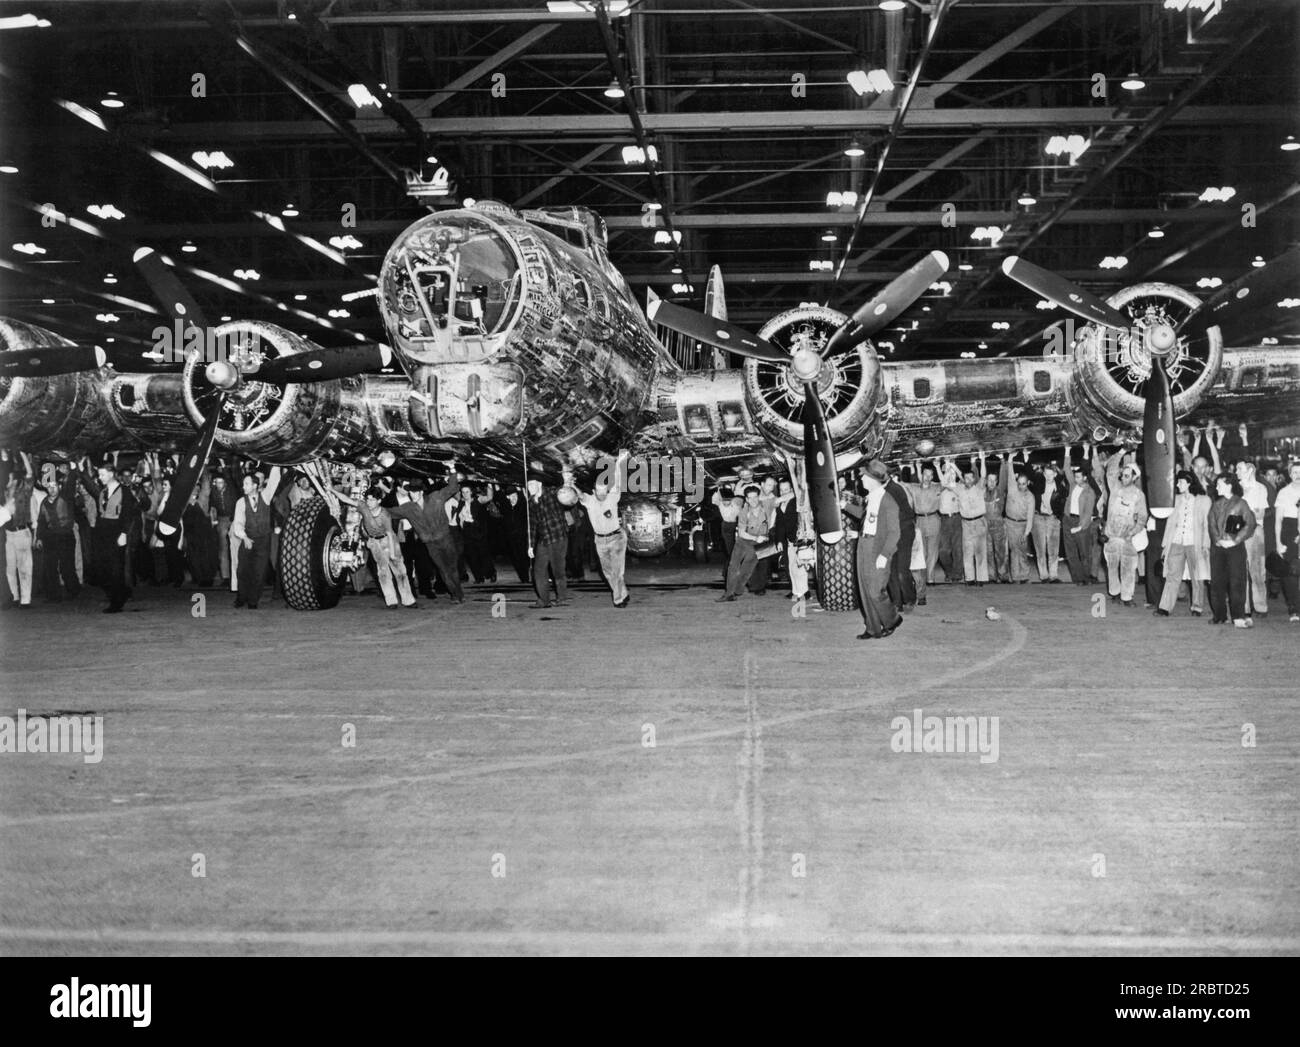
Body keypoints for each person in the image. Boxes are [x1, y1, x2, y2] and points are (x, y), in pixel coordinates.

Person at [390, 466, 465, 604]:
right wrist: (368, 507)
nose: (412, 495)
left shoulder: (435, 498)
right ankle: (455, 594)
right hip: (431, 544)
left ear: (421, 491)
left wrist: (452, 470)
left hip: (446, 539)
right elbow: (390, 512)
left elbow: (453, 488)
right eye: (410, 492)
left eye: (414, 492)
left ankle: (457, 593)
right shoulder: (409, 508)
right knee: (443, 570)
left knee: (452, 568)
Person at [79, 458, 139, 613]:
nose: (100, 478)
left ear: (111, 474)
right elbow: (90, 487)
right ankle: (121, 592)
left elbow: (128, 514)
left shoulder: (124, 491)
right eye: (99, 475)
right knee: (102, 568)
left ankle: (116, 602)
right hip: (102, 531)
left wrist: (124, 533)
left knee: (115, 567)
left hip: (117, 530)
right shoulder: (103, 491)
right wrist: (81, 470)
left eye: (103, 475)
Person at [852, 459, 903, 640]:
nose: (861, 479)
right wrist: (844, 506)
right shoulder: (871, 497)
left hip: (877, 548)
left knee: (875, 590)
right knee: (865, 589)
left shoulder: (888, 501)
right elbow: (866, 517)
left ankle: (892, 619)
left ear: (873, 480)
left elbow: (895, 532)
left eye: (864, 476)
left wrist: (885, 554)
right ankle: (873, 628)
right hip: (864, 544)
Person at [577, 450, 630, 607]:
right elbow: (579, 495)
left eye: (604, 491)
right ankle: (623, 593)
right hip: (600, 541)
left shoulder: (612, 497)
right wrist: (570, 484)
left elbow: (618, 481)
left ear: (607, 490)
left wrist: (619, 464)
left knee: (617, 572)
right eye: (599, 491)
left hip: (616, 538)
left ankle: (618, 599)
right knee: (608, 573)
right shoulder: (589, 501)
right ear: (594, 491)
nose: (602, 494)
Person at [1155, 470, 1210, 617]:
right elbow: (1170, 523)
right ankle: (1165, 607)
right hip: (1176, 540)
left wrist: (1206, 544)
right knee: (1172, 575)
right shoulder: (1175, 499)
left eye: (1180, 482)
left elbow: (1206, 524)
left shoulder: (1204, 500)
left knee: (1197, 576)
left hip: (1195, 543)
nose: (1178, 485)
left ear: (1189, 483)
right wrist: (1166, 544)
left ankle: (1197, 607)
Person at [1208, 472, 1257, 628]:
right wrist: (1218, 540)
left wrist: (1234, 541)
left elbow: (1250, 524)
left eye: (1219, 484)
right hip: (1218, 548)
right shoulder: (1216, 504)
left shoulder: (1241, 504)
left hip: (1235, 548)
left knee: (1237, 582)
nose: (1216, 487)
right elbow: (1211, 524)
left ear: (1229, 485)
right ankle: (1219, 615)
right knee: (1216, 582)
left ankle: (1238, 616)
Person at [230, 465, 282, 609]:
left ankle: (253, 600)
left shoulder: (265, 496)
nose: (244, 487)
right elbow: (238, 523)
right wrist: (244, 538)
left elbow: (274, 480)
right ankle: (241, 597)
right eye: (243, 484)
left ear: (255, 485)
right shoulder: (241, 502)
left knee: (259, 572)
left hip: (263, 541)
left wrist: (275, 463)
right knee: (242, 570)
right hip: (248, 539)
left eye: (246, 484)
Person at [358, 486, 418, 609]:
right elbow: (347, 500)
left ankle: (408, 600)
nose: (369, 502)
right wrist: (332, 490)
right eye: (367, 499)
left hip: (388, 541)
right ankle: (391, 601)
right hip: (375, 543)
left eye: (372, 500)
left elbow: (390, 534)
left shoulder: (385, 514)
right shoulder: (364, 508)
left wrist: (392, 553)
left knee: (400, 572)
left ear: (379, 501)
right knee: (383, 573)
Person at [1103, 462, 1148, 607]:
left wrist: (1133, 532)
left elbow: (1142, 518)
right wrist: (1121, 452)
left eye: (1127, 476)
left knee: (1128, 570)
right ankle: (1115, 593)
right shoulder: (1115, 488)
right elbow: (1111, 470)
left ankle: (1127, 597)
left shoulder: (1139, 495)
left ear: (1134, 477)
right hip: (1112, 537)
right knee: (1112, 568)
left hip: (1128, 539)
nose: (1123, 478)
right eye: (1122, 475)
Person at [525, 469, 569, 608]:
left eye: (532, 484)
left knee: (558, 571)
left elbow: (562, 488)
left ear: (539, 484)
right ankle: (544, 600)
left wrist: (564, 478)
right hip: (544, 540)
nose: (529, 487)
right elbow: (532, 525)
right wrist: (530, 545)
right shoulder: (531, 502)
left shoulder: (551, 494)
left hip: (558, 537)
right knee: (538, 570)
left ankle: (561, 598)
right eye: (528, 485)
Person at [717, 485, 768, 602]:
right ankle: (729, 594)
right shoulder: (744, 512)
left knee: (747, 568)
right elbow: (741, 533)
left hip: (758, 543)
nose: (753, 500)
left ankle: (738, 590)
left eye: (755, 497)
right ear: (747, 499)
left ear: (759, 497)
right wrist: (756, 537)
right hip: (744, 541)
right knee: (733, 566)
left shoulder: (766, 507)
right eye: (750, 498)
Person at [36, 467, 80, 601]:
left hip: (65, 537)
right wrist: (39, 537)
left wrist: (72, 470)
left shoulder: (66, 498)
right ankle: (53, 595)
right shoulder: (44, 502)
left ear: (59, 487)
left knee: (67, 566)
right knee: (50, 567)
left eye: (54, 486)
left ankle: (73, 591)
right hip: (50, 538)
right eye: (49, 486)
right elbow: (41, 521)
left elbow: (71, 484)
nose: (52, 489)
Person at [1236, 460, 1271, 618]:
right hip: (1237, 532)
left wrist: (1242, 514)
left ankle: (1261, 606)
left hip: (1255, 532)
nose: (1236, 471)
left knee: (1257, 571)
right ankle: (1245, 607)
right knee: (1239, 570)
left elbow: (1260, 513)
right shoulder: (1235, 488)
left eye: (1240, 469)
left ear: (1250, 471)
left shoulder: (1260, 488)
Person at [951, 454, 988, 586]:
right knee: (967, 551)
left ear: (973, 478)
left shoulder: (979, 488)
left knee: (980, 551)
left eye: (970, 478)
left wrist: (982, 459)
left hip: (979, 522)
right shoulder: (960, 490)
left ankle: (981, 579)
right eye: (966, 478)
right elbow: (947, 483)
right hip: (966, 523)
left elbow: (983, 475)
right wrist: (951, 465)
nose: (968, 480)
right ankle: (970, 578)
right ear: (964, 479)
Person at [884, 469, 918, 610]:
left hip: (904, 532)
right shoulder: (882, 490)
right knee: (891, 570)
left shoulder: (894, 489)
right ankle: (897, 602)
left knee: (901, 571)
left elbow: (906, 513)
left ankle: (910, 598)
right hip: (891, 533)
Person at [1029, 457, 1066, 583]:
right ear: (1043, 474)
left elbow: (1063, 503)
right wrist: (1027, 459)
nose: (1048, 477)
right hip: (1038, 517)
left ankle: (1053, 576)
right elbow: (1030, 474)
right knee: (1040, 548)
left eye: (1051, 474)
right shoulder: (1038, 484)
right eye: (1046, 474)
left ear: (1055, 474)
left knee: (1054, 549)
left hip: (1053, 518)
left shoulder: (1060, 488)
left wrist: (1059, 518)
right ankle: (1044, 576)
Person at [1273, 460, 1300, 622]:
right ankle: (1294, 608)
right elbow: (1278, 520)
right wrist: (1278, 543)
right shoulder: (1283, 492)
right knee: (1290, 571)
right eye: (1295, 472)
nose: (1298, 475)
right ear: (1290, 475)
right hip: (1288, 531)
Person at [1063, 460, 1098, 585]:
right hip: (1068, 520)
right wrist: (1067, 451)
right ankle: (1078, 578)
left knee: (1084, 553)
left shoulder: (1090, 492)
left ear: (1084, 477)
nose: (1076, 479)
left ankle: (1086, 577)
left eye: (1078, 477)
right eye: (1075, 476)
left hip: (1081, 522)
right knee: (1071, 552)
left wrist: (1080, 527)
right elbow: (1066, 469)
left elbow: (1088, 513)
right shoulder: (1073, 485)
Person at [908, 463, 942, 585]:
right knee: (921, 551)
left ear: (932, 477)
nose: (927, 477)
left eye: (930, 475)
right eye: (925, 474)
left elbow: (946, 482)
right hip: (920, 521)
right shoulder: (914, 487)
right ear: (921, 475)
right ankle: (920, 579)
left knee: (933, 551)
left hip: (933, 519)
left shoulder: (937, 487)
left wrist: (938, 467)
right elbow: (900, 485)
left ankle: (930, 578)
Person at [1002, 456, 1034, 583]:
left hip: (1022, 525)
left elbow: (1030, 517)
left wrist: (1026, 533)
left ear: (1028, 483)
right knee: (1013, 550)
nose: (1021, 486)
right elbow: (1010, 475)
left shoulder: (1030, 497)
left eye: (1023, 484)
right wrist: (1010, 460)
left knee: (1022, 550)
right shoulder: (1012, 488)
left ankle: (1024, 575)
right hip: (1010, 524)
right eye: (1019, 483)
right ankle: (1015, 577)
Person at [935, 458, 964, 583]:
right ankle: (949, 572)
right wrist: (938, 467)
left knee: (958, 549)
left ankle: (957, 574)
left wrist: (953, 466)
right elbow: (943, 482)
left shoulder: (959, 486)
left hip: (957, 518)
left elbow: (963, 478)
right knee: (943, 551)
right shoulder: (939, 488)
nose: (950, 475)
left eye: (952, 473)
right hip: (944, 520)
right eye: (947, 472)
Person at [982, 455, 1009, 584]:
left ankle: (1003, 576)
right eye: (989, 480)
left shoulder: (1000, 490)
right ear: (986, 481)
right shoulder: (982, 492)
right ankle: (991, 576)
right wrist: (976, 462)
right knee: (988, 551)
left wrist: (1002, 461)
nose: (991, 482)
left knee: (1000, 551)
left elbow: (1004, 477)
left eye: (994, 480)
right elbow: (977, 477)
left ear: (997, 481)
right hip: (985, 524)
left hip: (998, 523)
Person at [712, 485, 742, 583]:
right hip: (725, 526)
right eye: (724, 500)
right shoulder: (720, 503)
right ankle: (728, 573)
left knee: (733, 550)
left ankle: (729, 572)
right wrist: (718, 488)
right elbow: (715, 497)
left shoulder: (736, 505)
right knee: (729, 550)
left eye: (728, 500)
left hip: (734, 525)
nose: (726, 502)